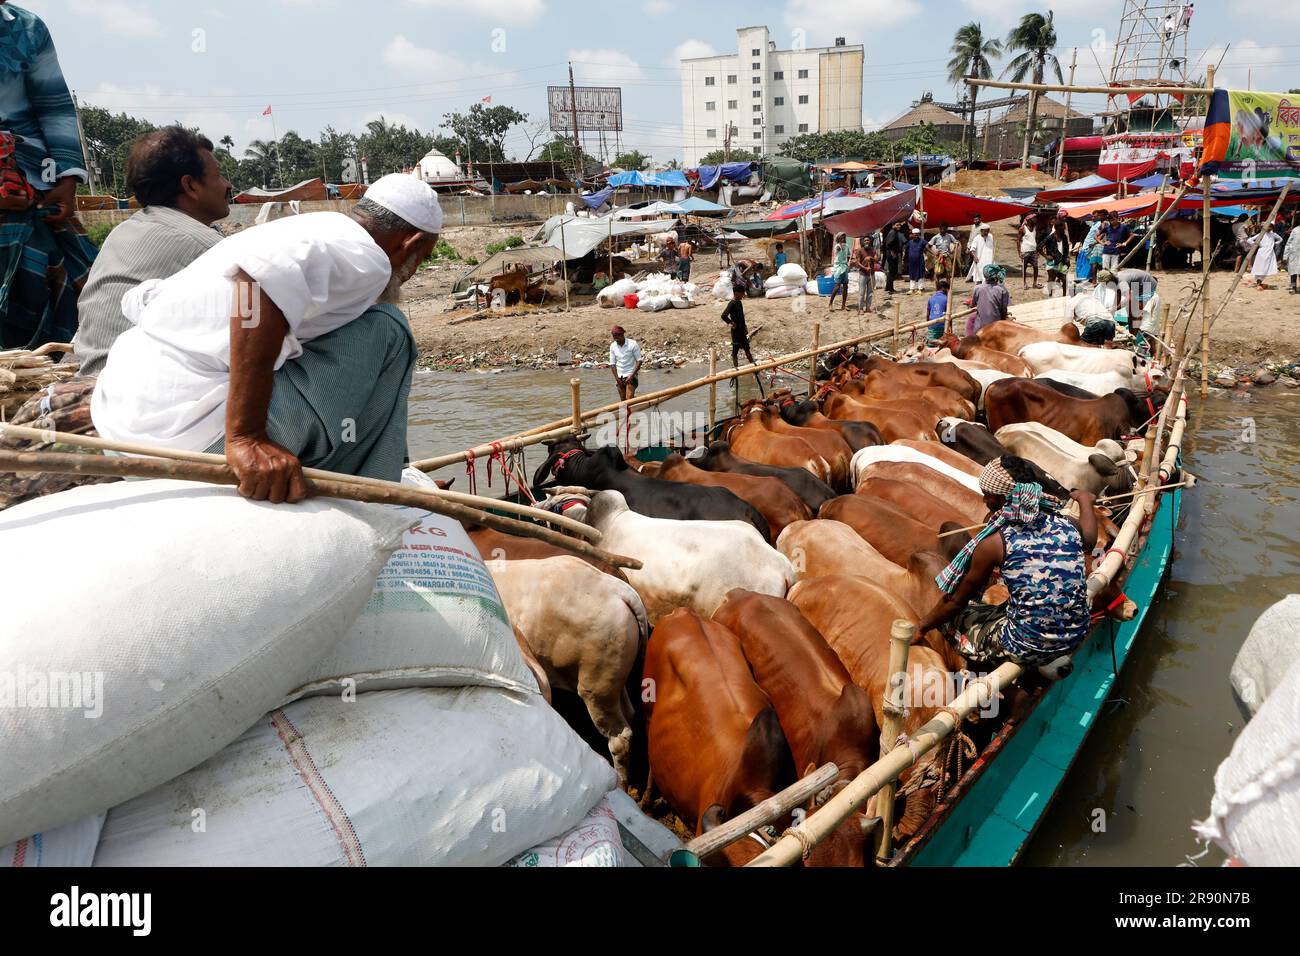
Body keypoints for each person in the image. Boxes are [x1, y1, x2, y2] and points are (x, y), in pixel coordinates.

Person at [91, 173, 443, 500]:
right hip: (188, 442)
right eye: (421, 260)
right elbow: (255, 286)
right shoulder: (367, 256)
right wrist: (246, 437)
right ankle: (370, 490)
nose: (411, 273)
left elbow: (142, 300)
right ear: (409, 242)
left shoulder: (308, 228)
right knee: (389, 327)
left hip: (119, 430)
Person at [72, 127, 232, 376]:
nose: (227, 185)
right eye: (219, 176)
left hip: (90, 374)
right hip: (132, 391)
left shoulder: (123, 231)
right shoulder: (204, 245)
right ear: (190, 185)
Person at [916, 456, 1097, 675]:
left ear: (1004, 499)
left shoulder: (995, 544)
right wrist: (1085, 501)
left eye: (988, 495)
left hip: (1026, 646)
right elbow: (1089, 540)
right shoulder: (1066, 524)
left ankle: (979, 672)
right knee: (1001, 608)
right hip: (1077, 634)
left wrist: (921, 627)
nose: (984, 500)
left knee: (950, 618)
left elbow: (954, 602)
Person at [0, 2, 98, 348]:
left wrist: (67, 180)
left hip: (32, 180)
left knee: (83, 286)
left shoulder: (27, 28)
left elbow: (53, 103)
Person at [721, 285, 763, 394]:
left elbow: (741, 317)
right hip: (735, 332)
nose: (744, 295)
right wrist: (731, 323)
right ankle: (736, 370)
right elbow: (724, 315)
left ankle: (754, 368)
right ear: (736, 293)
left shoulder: (739, 302)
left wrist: (745, 327)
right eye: (742, 293)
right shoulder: (732, 303)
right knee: (735, 351)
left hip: (741, 331)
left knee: (747, 349)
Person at [967, 264, 1010, 336]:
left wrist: (970, 305)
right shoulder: (1002, 290)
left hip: (980, 327)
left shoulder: (978, 288)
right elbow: (1004, 310)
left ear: (984, 276)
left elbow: (973, 305)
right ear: (997, 276)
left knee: (971, 320)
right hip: (995, 327)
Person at [609, 324, 642, 402]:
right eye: (614, 337)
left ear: (622, 334)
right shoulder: (613, 346)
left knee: (628, 400)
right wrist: (617, 379)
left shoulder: (632, 344)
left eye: (617, 336)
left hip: (631, 375)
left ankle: (633, 400)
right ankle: (633, 404)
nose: (616, 339)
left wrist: (631, 375)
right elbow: (612, 364)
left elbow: (639, 361)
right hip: (620, 376)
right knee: (623, 401)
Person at [1250, 221, 1280, 290]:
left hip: (1269, 253)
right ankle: (1258, 282)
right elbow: (1250, 240)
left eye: (1270, 226)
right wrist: (1258, 244)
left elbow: (1280, 239)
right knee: (1260, 267)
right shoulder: (1261, 234)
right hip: (1261, 253)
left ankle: (1259, 282)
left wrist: (1274, 244)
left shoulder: (1274, 234)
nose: (1269, 228)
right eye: (1268, 226)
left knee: (1266, 268)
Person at [849, 237, 876, 313]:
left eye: (868, 240)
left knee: (870, 292)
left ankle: (868, 308)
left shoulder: (873, 250)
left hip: (871, 273)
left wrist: (870, 258)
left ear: (870, 241)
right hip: (863, 274)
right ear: (863, 242)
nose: (866, 242)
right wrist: (865, 267)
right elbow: (857, 263)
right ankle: (860, 308)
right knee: (861, 292)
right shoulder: (860, 251)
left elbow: (876, 259)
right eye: (865, 241)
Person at [828, 232, 850, 311]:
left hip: (845, 267)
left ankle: (843, 305)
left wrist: (848, 264)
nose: (843, 239)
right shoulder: (837, 246)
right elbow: (837, 250)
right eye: (841, 237)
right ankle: (830, 304)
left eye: (844, 237)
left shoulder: (847, 246)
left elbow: (848, 255)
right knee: (837, 286)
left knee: (845, 286)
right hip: (838, 268)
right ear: (838, 238)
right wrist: (840, 246)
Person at [1018, 214, 1040, 290]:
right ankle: (1024, 283)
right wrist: (1019, 253)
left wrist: (1037, 250)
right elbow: (1018, 241)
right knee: (1024, 268)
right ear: (1029, 220)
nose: (1036, 220)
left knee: (1036, 267)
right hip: (1025, 251)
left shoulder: (1035, 228)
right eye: (1034, 218)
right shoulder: (1022, 229)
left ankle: (1035, 283)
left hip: (1033, 251)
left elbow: (1036, 239)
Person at [905, 226, 927, 294]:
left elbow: (929, 247)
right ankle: (912, 289)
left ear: (919, 234)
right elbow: (906, 250)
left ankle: (920, 289)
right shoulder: (910, 242)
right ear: (912, 234)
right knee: (912, 274)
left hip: (920, 260)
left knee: (920, 274)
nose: (916, 235)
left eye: (917, 234)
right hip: (912, 261)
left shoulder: (922, 241)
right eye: (915, 234)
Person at [883, 221, 903, 294]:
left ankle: (888, 287)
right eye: (897, 225)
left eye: (900, 225)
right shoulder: (893, 232)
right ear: (893, 225)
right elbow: (889, 243)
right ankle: (890, 288)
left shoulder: (893, 232)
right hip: (892, 253)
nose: (899, 226)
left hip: (892, 253)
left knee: (891, 271)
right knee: (893, 271)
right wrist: (893, 253)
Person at [1284, 218, 1300, 294]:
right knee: (1293, 271)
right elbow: (1288, 243)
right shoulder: (1295, 230)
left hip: (1296, 254)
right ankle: (1293, 287)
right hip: (1294, 254)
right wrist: (1285, 256)